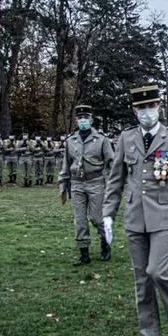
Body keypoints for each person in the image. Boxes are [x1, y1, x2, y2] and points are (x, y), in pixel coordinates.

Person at [102, 85, 168, 336]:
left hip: (163, 216)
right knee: (141, 278)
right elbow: (116, 180)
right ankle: (150, 333)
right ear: (134, 110)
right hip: (135, 217)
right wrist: (108, 215)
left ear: (160, 107)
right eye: (141, 108)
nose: (146, 112)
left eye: (151, 106)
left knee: (156, 271)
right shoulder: (126, 138)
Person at [59, 106, 116, 265]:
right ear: (76, 120)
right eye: (80, 118)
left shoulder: (102, 139)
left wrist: (113, 185)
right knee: (80, 220)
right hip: (77, 184)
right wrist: (63, 186)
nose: (83, 120)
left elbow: (111, 162)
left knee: (97, 218)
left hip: (96, 183)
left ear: (91, 120)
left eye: (86, 117)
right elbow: (66, 164)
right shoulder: (71, 140)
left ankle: (105, 244)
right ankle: (84, 253)